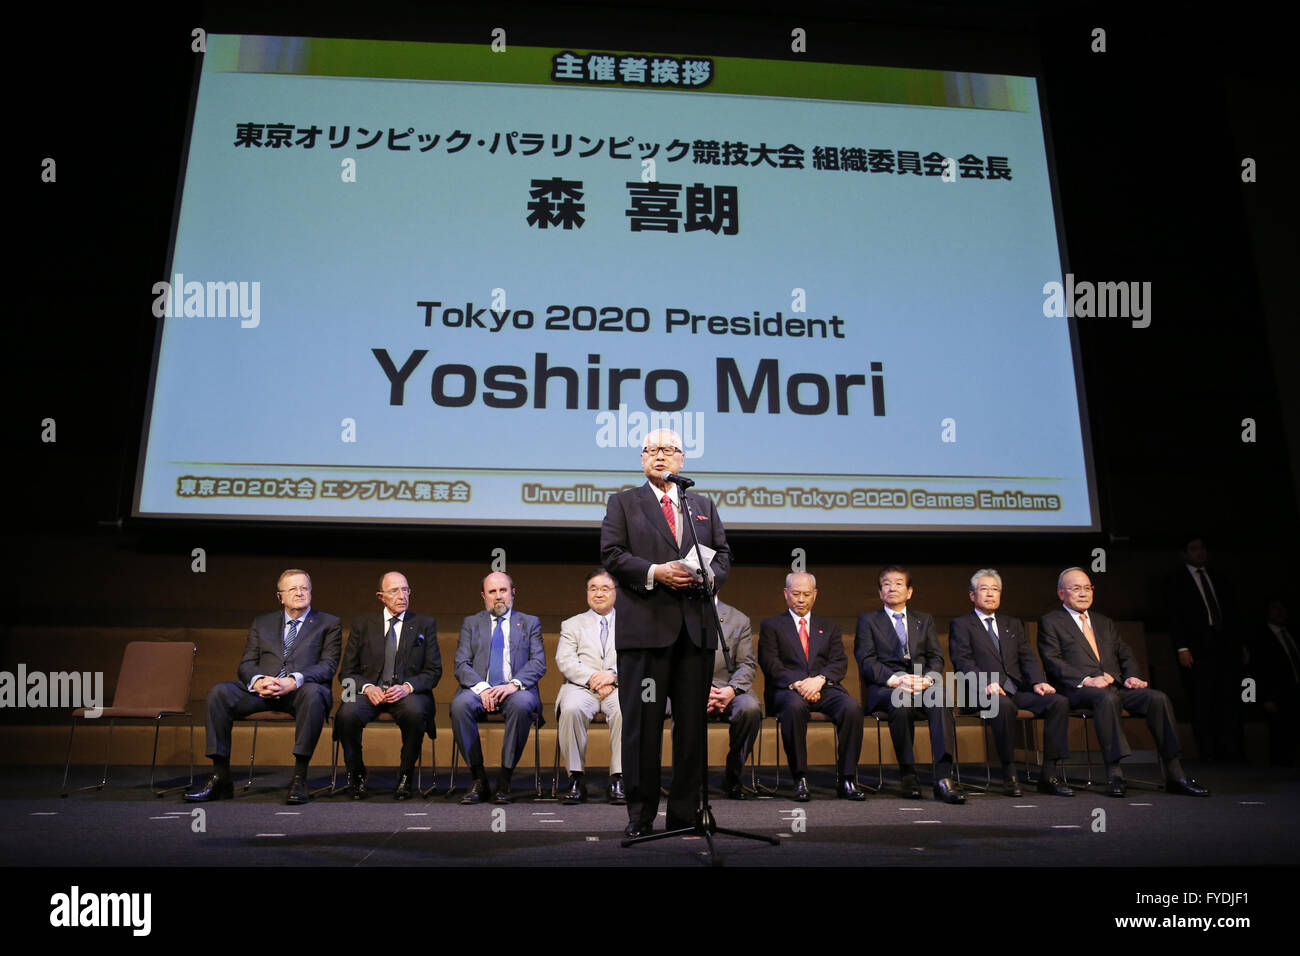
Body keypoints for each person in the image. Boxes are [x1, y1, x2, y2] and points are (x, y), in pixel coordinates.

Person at [600, 428, 730, 839]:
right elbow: (613, 554)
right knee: (644, 728)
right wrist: (656, 572)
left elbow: (723, 554)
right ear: (641, 459)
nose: (660, 456)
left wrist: (710, 577)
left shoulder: (702, 505)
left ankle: (685, 815)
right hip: (646, 635)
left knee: (691, 729)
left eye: (669, 450)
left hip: (695, 634)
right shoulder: (623, 502)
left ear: (682, 459)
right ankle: (640, 817)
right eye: (652, 450)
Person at [1038, 567, 1209, 797]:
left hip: (1115, 685)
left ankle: (1175, 773)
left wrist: (1131, 676)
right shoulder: (1051, 621)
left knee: (1157, 699)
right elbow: (1052, 660)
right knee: (1106, 698)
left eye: (1087, 588)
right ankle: (1115, 774)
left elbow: (1125, 653)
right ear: (1061, 594)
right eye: (1076, 588)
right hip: (1078, 690)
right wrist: (1088, 679)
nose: (1083, 593)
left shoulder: (1103, 621)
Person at [186, 569, 340, 805]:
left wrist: (293, 680)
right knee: (220, 692)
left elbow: (328, 666)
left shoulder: (328, 623)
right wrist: (259, 681)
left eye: (304, 588)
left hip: (300, 692)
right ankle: (220, 777)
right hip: (264, 691)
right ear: (280, 596)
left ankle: (299, 777)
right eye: (293, 589)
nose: (299, 593)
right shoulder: (263, 623)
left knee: (314, 693)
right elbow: (247, 663)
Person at [947, 569, 1073, 797]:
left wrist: (1037, 682)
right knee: (1002, 706)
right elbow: (962, 661)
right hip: (981, 692)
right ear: (972, 596)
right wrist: (986, 683)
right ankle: (1009, 772)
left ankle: (1048, 774)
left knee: (1058, 702)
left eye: (995, 589)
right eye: (984, 589)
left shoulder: (1012, 624)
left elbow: (1027, 657)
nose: (990, 594)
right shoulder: (962, 624)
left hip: (1017, 690)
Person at [855, 565, 963, 804]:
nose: (892, 588)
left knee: (941, 696)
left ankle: (943, 778)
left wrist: (927, 680)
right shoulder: (868, 620)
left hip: (922, 684)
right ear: (881, 592)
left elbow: (936, 657)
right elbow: (866, 660)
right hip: (886, 687)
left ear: (910, 591)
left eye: (898, 583)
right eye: (886, 584)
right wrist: (897, 680)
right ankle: (908, 774)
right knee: (900, 701)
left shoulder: (924, 620)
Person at [758, 572, 865, 801]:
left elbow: (839, 661)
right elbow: (770, 663)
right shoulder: (771, 626)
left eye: (806, 594)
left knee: (852, 708)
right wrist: (798, 684)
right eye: (796, 594)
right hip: (788, 690)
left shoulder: (830, 626)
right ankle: (800, 777)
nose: (801, 599)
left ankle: (847, 778)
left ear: (815, 595)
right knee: (795, 707)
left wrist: (819, 680)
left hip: (823, 687)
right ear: (786, 594)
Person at [333, 571, 440, 800]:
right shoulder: (363, 624)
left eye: (405, 589)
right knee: (346, 714)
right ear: (381, 596)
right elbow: (346, 674)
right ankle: (356, 774)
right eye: (394, 591)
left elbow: (433, 672)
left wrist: (407, 687)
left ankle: (405, 776)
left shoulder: (424, 624)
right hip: (367, 691)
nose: (402, 596)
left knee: (415, 712)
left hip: (406, 692)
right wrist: (368, 688)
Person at [449, 571, 545, 805]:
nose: (498, 596)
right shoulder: (471, 623)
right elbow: (461, 663)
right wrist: (482, 688)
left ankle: (505, 778)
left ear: (513, 592)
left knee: (522, 705)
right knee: (459, 706)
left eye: (503, 590)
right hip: (479, 689)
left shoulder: (529, 622)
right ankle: (478, 779)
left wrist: (513, 685)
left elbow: (538, 663)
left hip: (515, 690)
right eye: (492, 591)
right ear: (484, 596)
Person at [1167, 536, 1244, 760]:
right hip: (1197, 647)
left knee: (1229, 698)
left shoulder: (1220, 578)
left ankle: (1235, 752)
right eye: (1194, 549)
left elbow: (1233, 612)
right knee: (1202, 700)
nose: (1199, 553)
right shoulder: (1176, 581)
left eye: (1202, 548)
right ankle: (1209, 754)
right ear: (1184, 554)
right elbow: (1174, 616)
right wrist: (1182, 647)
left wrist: (1241, 644)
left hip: (1225, 645)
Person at [555, 569, 624, 804]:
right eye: (593, 588)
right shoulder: (572, 624)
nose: (598, 593)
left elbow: (637, 659)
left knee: (627, 709)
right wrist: (595, 679)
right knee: (572, 709)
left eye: (605, 588)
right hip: (581, 686)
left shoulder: (630, 622)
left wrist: (612, 676)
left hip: (617, 686)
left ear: (615, 592)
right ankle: (575, 778)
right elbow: (565, 661)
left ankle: (618, 777)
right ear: (587, 593)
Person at [709, 596, 762, 799]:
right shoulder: (678, 612)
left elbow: (747, 664)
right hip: (691, 689)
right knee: (683, 708)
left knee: (750, 708)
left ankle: (733, 774)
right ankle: (689, 779)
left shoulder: (739, 619)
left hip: (729, 687)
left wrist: (731, 690)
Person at [1244, 598, 1299, 765]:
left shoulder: (1291, 634)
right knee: (1280, 738)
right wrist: (1264, 697)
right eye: (1275, 608)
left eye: (1282, 607)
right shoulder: (1259, 638)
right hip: (1276, 696)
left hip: (1294, 692)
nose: (1280, 612)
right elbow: (1255, 671)